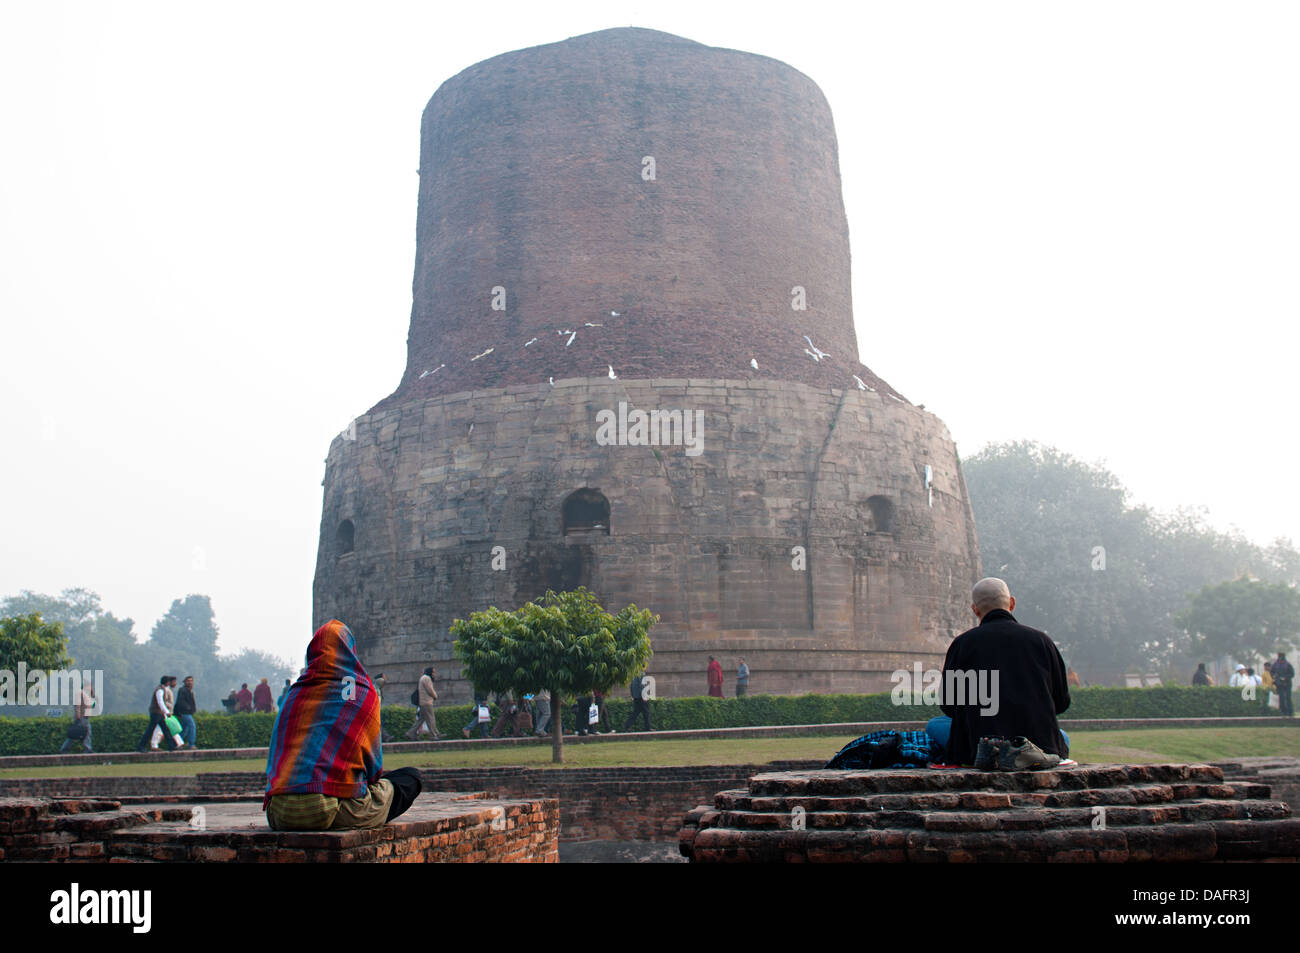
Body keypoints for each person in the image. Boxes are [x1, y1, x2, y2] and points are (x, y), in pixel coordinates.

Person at [264, 619, 422, 831]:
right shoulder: (362, 692)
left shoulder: (295, 693)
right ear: (349, 651)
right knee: (409, 778)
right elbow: (373, 768)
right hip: (326, 809)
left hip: (279, 814)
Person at [925, 578, 1070, 766]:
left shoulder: (962, 644)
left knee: (934, 726)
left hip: (979, 744)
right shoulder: (1042, 641)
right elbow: (1061, 702)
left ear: (975, 609)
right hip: (1038, 745)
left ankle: (996, 752)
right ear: (1011, 603)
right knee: (1063, 737)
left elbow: (948, 705)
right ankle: (1022, 752)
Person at [136, 675, 182, 752]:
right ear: (167, 682)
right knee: (151, 730)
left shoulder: (162, 689)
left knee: (165, 729)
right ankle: (141, 746)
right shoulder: (160, 690)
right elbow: (160, 702)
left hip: (159, 713)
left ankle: (172, 745)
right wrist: (167, 712)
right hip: (156, 713)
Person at [59, 682, 94, 754]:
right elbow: (77, 706)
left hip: (84, 718)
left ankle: (64, 749)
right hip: (81, 718)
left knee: (80, 734)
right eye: (88, 686)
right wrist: (78, 716)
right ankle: (87, 749)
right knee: (82, 733)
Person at [407, 667, 441, 740]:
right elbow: (430, 690)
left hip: (423, 702)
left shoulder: (423, 678)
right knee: (430, 719)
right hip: (426, 702)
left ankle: (411, 733)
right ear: (430, 672)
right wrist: (435, 696)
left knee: (421, 719)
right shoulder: (426, 678)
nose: (434, 674)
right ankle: (433, 735)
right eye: (433, 672)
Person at [175, 675, 198, 748]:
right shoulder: (183, 690)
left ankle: (178, 743)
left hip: (187, 712)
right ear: (185, 682)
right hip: (185, 712)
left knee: (184, 728)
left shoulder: (189, 691)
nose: (190, 682)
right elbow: (181, 702)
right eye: (188, 681)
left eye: (191, 681)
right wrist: (188, 708)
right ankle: (191, 744)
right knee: (192, 726)